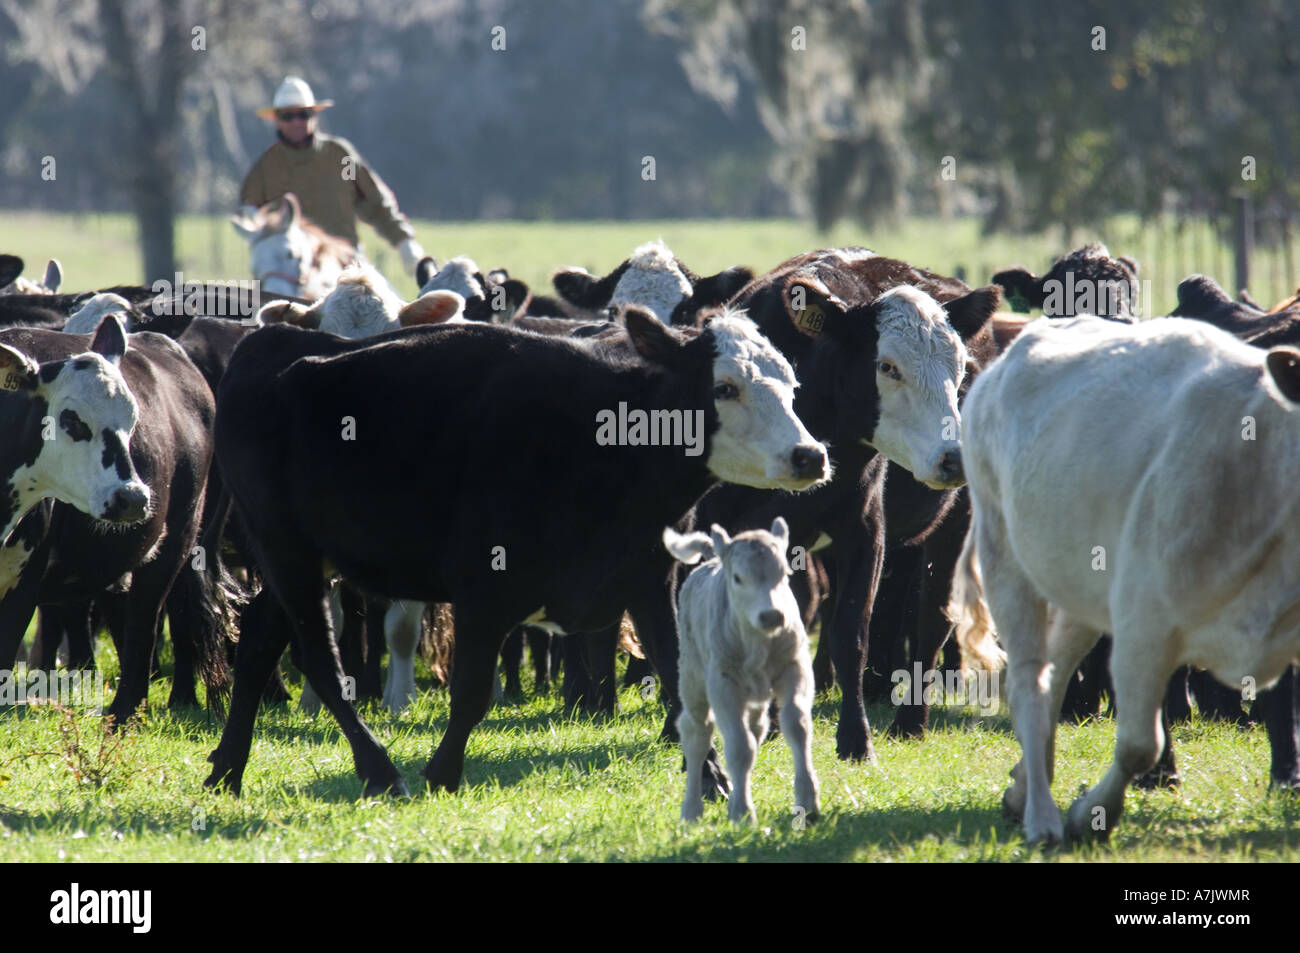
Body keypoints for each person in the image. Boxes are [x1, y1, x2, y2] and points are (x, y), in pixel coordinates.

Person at [240, 76, 425, 275]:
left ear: (314, 116)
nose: (296, 122)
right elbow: (249, 212)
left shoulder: (340, 157)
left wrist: (403, 241)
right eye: (288, 116)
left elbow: (374, 202)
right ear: (276, 120)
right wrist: (252, 219)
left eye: (303, 114)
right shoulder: (267, 167)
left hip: (347, 266)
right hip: (294, 274)